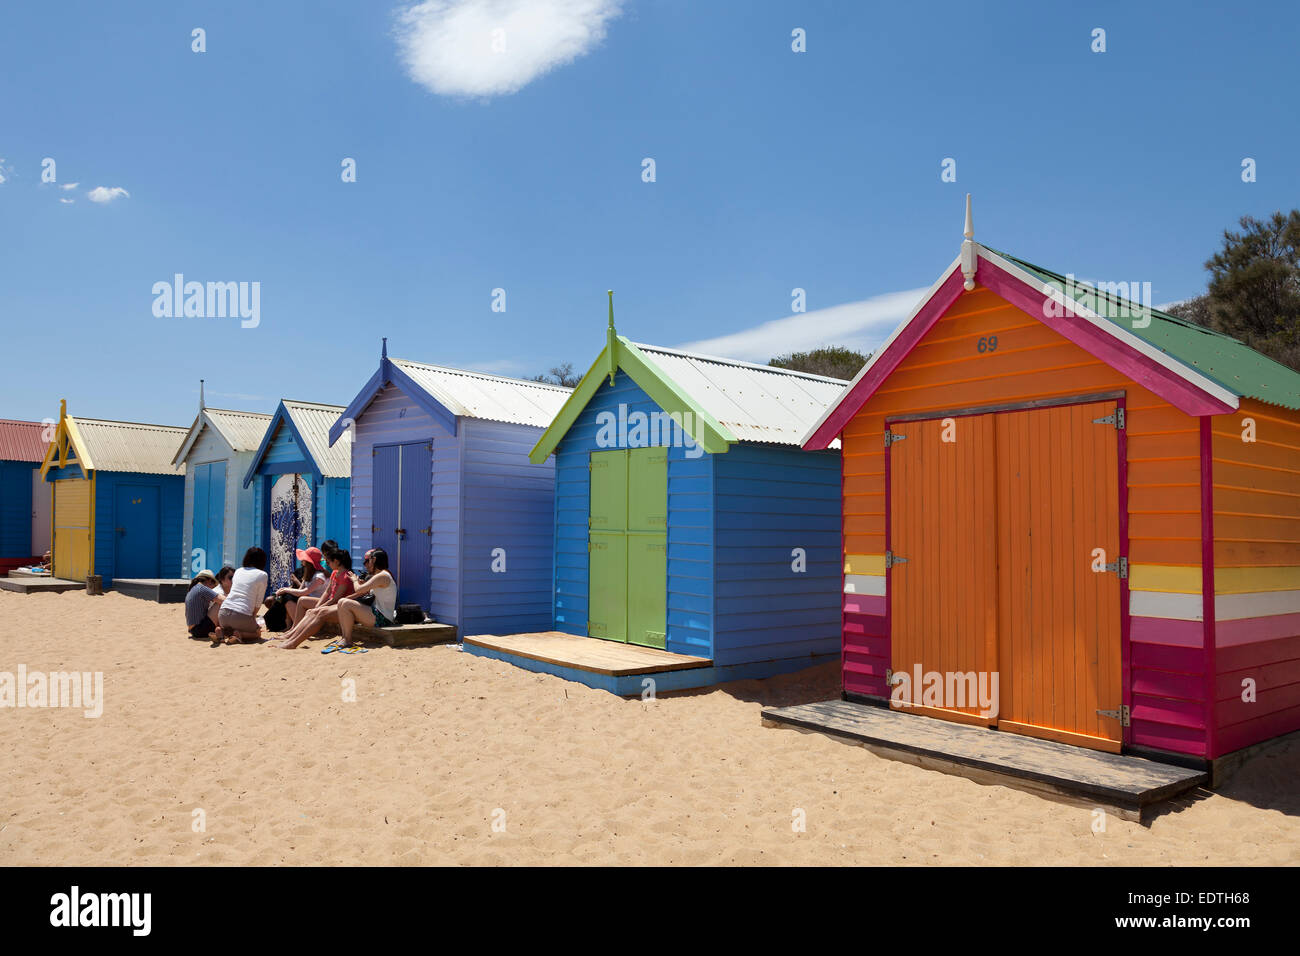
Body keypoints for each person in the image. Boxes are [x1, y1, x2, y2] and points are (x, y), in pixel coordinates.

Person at [268, 549, 356, 650]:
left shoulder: (345, 576)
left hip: (341, 608)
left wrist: (319, 607)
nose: (327, 564)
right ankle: (292, 635)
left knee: (315, 612)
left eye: (328, 562)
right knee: (309, 609)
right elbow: (327, 592)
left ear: (336, 561)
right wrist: (318, 605)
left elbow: (335, 599)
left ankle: (293, 642)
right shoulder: (335, 573)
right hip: (333, 604)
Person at [335, 549, 398, 648]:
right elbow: (367, 591)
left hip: (382, 618)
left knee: (345, 603)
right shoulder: (381, 575)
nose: (367, 565)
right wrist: (362, 584)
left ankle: (347, 639)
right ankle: (345, 638)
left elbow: (358, 590)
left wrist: (355, 580)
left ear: (374, 560)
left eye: (369, 561)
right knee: (341, 602)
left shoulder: (382, 576)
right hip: (378, 615)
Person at [216, 548, 269, 645]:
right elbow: (258, 602)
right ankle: (240, 634)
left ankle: (222, 631)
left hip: (223, 613)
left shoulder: (238, 571)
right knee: (257, 633)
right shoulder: (262, 575)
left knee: (230, 628)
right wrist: (252, 618)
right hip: (240, 615)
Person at [267, 547, 328, 626]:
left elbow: (304, 592)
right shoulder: (308, 573)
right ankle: (287, 623)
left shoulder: (319, 576)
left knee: (287, 597)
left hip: (318, 601)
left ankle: (297, 626)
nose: (302, 560)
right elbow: (300, 589)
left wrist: (285, 590)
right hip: (308, 598)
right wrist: (281, 591)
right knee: (280, 597)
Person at [184, 570, 224, 641]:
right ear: (209, 580)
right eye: (213, 583)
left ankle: (220, 630)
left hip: (193, 630)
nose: (213, 587)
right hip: (199, 629)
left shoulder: (194, 589)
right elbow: (223, 600)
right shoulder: (202, 588)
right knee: (219, 604)